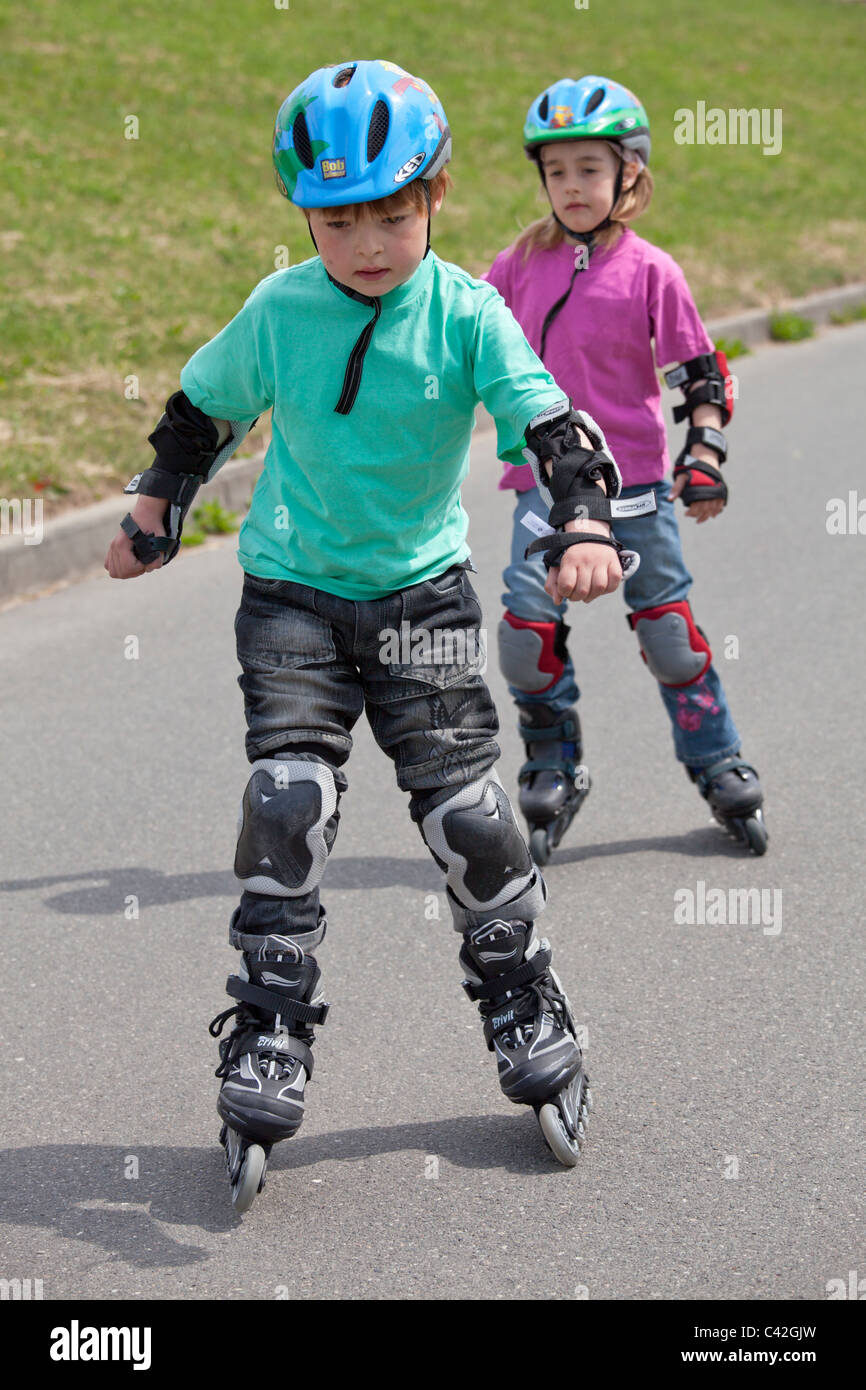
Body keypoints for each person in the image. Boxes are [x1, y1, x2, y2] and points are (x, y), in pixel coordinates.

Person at [103, 60, 632, 1206]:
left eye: (392, 212)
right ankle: (270, 1022)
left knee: (470, 815)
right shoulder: (281, 307)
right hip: (290, 595)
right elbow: (203, 412)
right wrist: (155, 509)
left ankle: (521, 994)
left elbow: (550, 423)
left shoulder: (465, 311)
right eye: (338, 219)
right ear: (305, 215)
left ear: (434, 197)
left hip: (422, 599)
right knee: (287, 797)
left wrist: (582, 517)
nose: (369, 242)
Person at [483, 75, 767, 864]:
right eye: (557, 171)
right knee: (524, 642)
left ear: (627, 175)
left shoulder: (652, 271)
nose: (571, 187)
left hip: (636, 492)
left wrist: (703, 454)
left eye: (589, 169)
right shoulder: (516, 265)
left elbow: (700, 375)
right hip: (542, 493)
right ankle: (552, 764)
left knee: (670, 638)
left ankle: (718, 762)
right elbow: (461, 340)